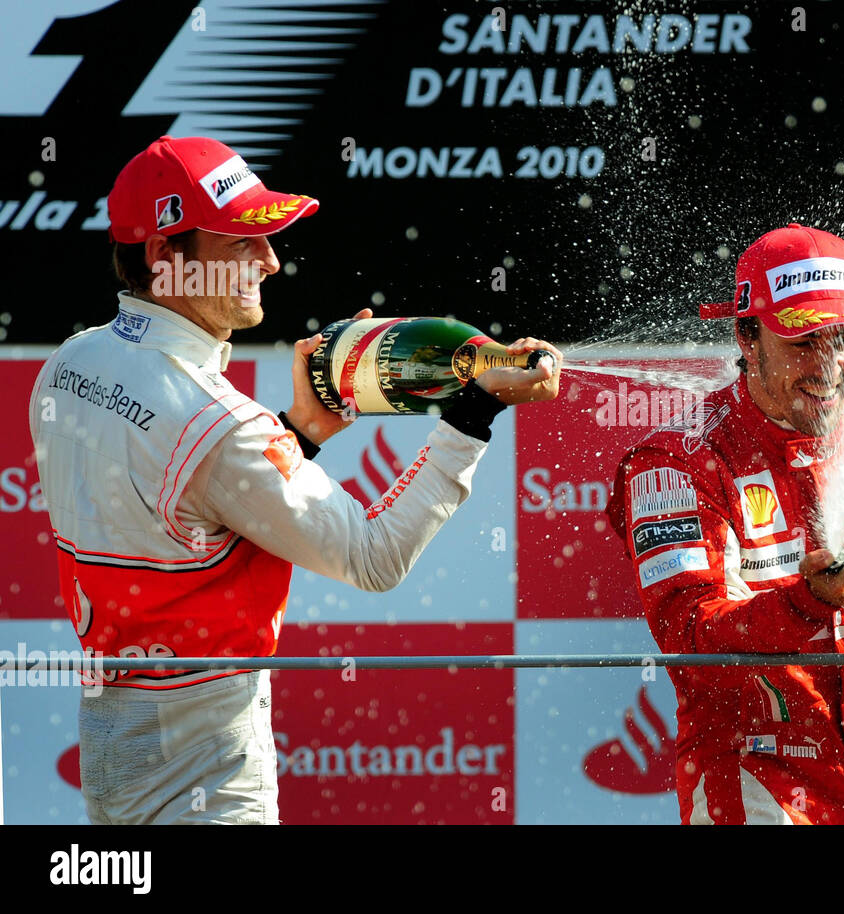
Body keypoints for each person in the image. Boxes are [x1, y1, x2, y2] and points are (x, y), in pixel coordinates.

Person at [28, 135, 562, 825]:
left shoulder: (69, 366)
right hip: (209, 769)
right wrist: (475, 410)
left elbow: (187, 515)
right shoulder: (220, 424)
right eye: (239, 243)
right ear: (164, 259)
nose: (271, 262)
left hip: (111, 737)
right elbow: (376, 557)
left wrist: (298, 435)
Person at [606, 224, 844, 824]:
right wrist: (811, 601)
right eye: (802, 342)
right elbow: (691, 642)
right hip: (751, 781)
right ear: (746, 336)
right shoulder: (677, 461)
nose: (828, 366)